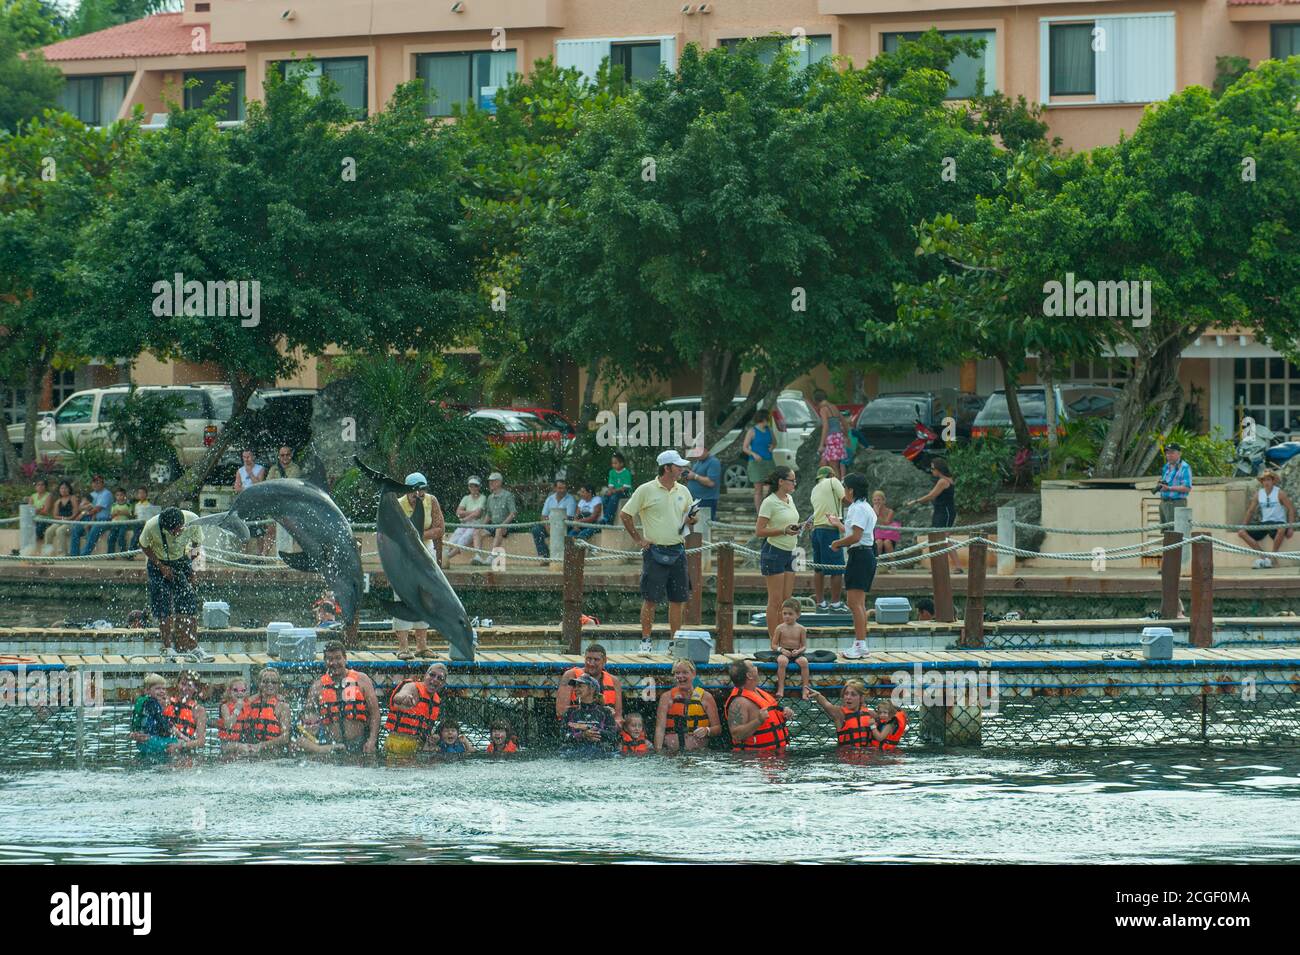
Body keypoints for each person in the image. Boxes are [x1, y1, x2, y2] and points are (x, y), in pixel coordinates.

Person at [620, 450, 698, 653]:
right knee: (650, 598)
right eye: (678, 466)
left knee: (678, 599)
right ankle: (646, 640)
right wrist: (639, 539)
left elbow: (691, 517)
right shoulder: (645, 489)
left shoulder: (683, 490)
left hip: (678, 549)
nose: (682, 469)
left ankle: (675, 643)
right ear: (667, 468)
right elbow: (625, 514)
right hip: (655, 551)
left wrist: (692, 519)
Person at [139, 506, 212, 662]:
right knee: (162, 605)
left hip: (181, 560)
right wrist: (161, 566)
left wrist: (193, 570)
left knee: (189, 603)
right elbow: (144, 546)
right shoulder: (152, 526)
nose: (176, 534)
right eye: (172, 532)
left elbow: (196, 544)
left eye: (179, 530)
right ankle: (167, 648)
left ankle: (192, 648)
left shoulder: (193, 519)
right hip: (158, 564)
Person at [393, 472, 445, 660]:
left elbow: (440, 528)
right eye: (415, 491)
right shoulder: (397, 504)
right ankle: (403, 647)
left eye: (422, 490)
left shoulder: (432, 501)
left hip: (425, 552)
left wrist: (418, 534)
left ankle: (422, 646)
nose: (419, 495)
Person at [829, 472, 877, 659]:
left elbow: (856, 537)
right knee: (859, 604)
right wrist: (837, 524)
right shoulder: (864, 507)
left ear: (851, 490)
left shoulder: (857, 509)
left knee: (854, 603)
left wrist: (837, 544)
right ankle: (861, 644)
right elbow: (856, 532)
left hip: (860, 555)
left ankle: (859, 644)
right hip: (865, 553)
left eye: (845, 488)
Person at [307, 641, 380, 755]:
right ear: (325, 662)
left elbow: (375, 713)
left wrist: (372, 740)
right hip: (331, 747)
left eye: (338, 658)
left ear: (345, 659)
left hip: (359, 745)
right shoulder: (317, 687)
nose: (334, 662)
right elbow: (308, 720)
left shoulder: (362, 680)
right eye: (330, 659)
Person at [756, 466, 801, 645]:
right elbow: (759, 530)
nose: (794, 483)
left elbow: (790, 522)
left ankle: (785, 639)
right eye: (792, 480)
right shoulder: (769, 502)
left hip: (792, 551)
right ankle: (774, 642)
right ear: (781, 482)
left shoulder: (790, 498)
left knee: (786, 601)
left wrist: (799, 527)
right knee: (774, 601)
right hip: (774, 551)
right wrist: (783, 530)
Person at [905, 458, 959, 575]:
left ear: (939, 469)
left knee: (943, 539)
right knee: (940, 539)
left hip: (945, 513)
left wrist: (915, 501)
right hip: (940, 511)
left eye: (933, 468)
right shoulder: (945, 480)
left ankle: (954, 566)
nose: (931, 471)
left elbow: (931, 496)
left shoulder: (943, 481)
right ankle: (941, 566)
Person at [655, 658, 720, 753]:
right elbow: (660, 728)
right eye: (677, 673)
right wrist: (658, 751)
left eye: (685, 672)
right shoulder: (666, 697)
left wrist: (707, 730)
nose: (680, 676)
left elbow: (718, 728)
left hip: (699, 754)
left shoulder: (706, 697)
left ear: (693, 674)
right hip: (672, 754)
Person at [725, 659, 792, 752]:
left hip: (774, 756)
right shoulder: (739, 701)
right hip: (753, 759)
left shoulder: (757, 692)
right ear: (749, 675)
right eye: (753, 666)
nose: (756, 668)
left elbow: (771, 719)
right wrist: (758, 721)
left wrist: (783, 714)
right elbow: (736, 735)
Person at [383, 663, 446, 759]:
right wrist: (405, 698)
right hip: (397, 745)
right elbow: (398, 697)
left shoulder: (436, 702)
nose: (434, 680)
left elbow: (424, 728)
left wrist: (433, 737)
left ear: (443, 684)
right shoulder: (412, 687)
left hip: (417, 748)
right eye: (432, 675)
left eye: (440, 678)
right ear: (425, 676)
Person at [1238, 470, 1296, 568]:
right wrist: (1243, 526)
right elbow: (1250, 511)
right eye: (1264, 480)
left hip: (1279, 522)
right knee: (1241, 533)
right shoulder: (1259, 494)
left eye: (1268, 480)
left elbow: (1291, 509)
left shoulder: (1279, 493)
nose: (1266, 482)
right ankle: (1263, 556)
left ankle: (1273, 557)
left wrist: (1290, 527)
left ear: (1273, 481)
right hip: (1265, 523)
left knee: (1281, 529)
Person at [231, 667, 291, 756]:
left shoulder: (283, 707)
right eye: (265, 681)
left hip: (272, 753)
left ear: (279, 685)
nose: (270, 684)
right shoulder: (251, 703)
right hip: (248, 749)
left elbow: (285, 737)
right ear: (259, 683)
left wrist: (262, 745)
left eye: (274, 682)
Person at [556, 644, 622, 725]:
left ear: (604, 661)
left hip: (603, 727)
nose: (591, 663)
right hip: (575, 725)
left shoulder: (614, 681)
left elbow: (618, 717)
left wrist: (608, 723)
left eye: (596, 659)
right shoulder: (570, 675)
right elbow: (561, 711)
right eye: (588, 659)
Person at [809, 466, 846, 611]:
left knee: (818, 568)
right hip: (830, 529)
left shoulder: (815, 489)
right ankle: (836, 604)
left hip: (816, 530)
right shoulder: (833, 481)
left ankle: (820, 603)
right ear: (831, 474)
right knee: (837, 568)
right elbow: (846, 499)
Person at [805, 678, 876, 748]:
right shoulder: (840, 715)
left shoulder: (871, 714)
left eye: (853, 694)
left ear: (861, 698)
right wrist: (818, 696)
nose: (848, 697)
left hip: (868, 755)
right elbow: (826, 704)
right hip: (847, 756)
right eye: (846, 694)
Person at [561, 674, 618, 754]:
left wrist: (588, 728)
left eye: (580, 686)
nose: (576, 689)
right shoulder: (570, 712)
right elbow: (562, 736)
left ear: (592, 689)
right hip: (574, 756)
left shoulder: (605, 712)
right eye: (575, 686)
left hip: (600, 756)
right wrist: (582, 735)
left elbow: (612, 736)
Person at [129, 673, 175, 762]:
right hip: (152, 741)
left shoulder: (141, 701)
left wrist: (135, 733)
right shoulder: (153, 703)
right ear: (147, 690)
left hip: (141, 743)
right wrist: (173, 733)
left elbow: (135, 720)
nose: (162, 691)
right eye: (158, 688)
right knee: (176, 743)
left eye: (163, 689)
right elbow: (163, 723)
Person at [162, 670, 208, 755]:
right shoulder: (166, 702)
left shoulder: (198, 710)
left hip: (185, 751)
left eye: (189, 685)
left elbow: (201, 741)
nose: (185, 688)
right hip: (163, 746)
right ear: (177, 684)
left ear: (196, 689)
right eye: (183, 684)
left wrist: (181, 745)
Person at [475, 472, 517, 563]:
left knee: (499, 529)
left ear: (499, 482)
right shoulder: (490, 497)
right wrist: (482, 526)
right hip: (494, 525)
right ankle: (478, 555)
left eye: (492, 481)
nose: (490, 484)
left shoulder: (507, 495)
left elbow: (513, 513)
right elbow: (489, 515)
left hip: (507, 525)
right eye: (490, 482)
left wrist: (504, 525)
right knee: (477, 531)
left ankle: (492, 556)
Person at [772, 597, 810, 698]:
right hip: (784, 651)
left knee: (804, 662)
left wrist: (798, 651)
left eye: (790, 614)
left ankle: (805, 689)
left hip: (796, 652)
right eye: (785, 613)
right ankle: (781, 688)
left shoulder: (801, 629)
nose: (787, 616)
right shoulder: (780, 628)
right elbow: (773, 645)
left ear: (798, 615)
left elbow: (804, 646)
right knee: (782, 661)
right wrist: (782, 650)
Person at [445, 476, 486, 567]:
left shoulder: (483, 498)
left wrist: (465, 517)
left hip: (476, 525)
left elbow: (478, 514)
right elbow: (458, 512)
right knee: (453, 538)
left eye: (475, 486)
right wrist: (471, 513)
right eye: (471, 486)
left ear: (479, 487)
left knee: (463, 539)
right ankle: (443, 556)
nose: (473, 488)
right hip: (465, 524)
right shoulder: (466, 498)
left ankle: (447, 557)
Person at [531, 476, 577, 558]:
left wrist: (555, 528)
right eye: (559, 488)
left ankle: (564, 558)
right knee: (536, 529)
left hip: (565, 526)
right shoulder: (550, 499)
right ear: (555, 488)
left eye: (564, 488)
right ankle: (544, 555)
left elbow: (569, 517)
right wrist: (547, 526)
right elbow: (544, 515)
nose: (562, 490)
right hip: (550, 525)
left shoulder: (570, 499)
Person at [234, 449, 268, 555]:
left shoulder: (260, 469)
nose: (246, 460)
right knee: (244, 529)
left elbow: (259, 485)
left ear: (253, 457)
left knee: (259, 531)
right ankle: (244, 555)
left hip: (257, 504)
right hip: (245, 503)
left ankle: (259, 556)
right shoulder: (240, 471)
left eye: (248, 457)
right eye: (244, 457)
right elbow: (237, 488)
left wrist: (250, 474)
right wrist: (249, 488)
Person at [741, 410, 776, 512]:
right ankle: (759, 512)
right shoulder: (752, 431)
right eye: (767, 419)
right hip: (755, 463)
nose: (768, 421)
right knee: (758, 489)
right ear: (763, 419)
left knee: (771, 487)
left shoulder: (769, 430)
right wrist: (753, 454)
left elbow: (774, 442)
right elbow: (745, 448)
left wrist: (772, 447)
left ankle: (769, 509)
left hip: (769, 461)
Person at [72, 474, 113, 556]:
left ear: (102, 483)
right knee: (75, 529)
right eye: (94, 482)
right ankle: (74, 554)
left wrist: (85, 511)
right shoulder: (91, 494)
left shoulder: (107, 494)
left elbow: (97, 509)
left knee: (94, 529)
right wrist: (85, 510)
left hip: (103, 519)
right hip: (90, 518)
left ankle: (84, 554)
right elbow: (80, 508)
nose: (95, 484)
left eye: (98, 482)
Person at [1156, 442, 1192, 528]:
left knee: (1175, 533)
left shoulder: (1185, 467)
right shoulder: (1166, 466)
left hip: (1176, 503)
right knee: (1166, 533)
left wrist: (1169, 488)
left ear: (1179, 453)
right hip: (1164, 503)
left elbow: (1187, 488)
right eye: (1167, 453)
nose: (1169, 455)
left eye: (1172, 452)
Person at [683, 445, 722, 522]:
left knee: (704, 527)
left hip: (706, 500)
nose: (696, 455)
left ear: (705, 450)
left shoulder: (713, 462)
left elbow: (711, 483)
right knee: (695, 526)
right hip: (695, 500)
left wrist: (695, 476)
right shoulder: (699, 461)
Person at [814, 389, 847, 479]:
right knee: (823, 463)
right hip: (838, 437)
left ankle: (838, 489)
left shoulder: (823, 409)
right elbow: (844, 422)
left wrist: (821, 445)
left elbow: (826, 427)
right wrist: (846, 435)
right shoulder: (834, 407)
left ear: (817, 401)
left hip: (832, 439)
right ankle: (826, 484)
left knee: (834, 467)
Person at [217, 676, 249, 752]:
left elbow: (260, 695)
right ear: (229, 691)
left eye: (243, 690)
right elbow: (229, 725)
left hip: (242, 742)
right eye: (235, 690)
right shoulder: (225, 707)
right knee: (243, 748)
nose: (239, 693)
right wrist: (237, 709)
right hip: (227, 744)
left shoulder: (247, 704)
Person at [601, 452, 633, 524]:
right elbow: (611, 485)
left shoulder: (626, 472)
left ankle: (608, 518)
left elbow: (625, 488)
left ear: (621, 464)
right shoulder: (612, 472)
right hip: (615, 491)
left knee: (614, 498)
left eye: (615, 463)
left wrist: (614, 491)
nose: (613, 465)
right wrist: (610, 491)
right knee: (605, 498)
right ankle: (606, 517)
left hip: (624, 492)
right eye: (612, 463)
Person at [46, 481, 76, 556]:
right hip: (60, 521)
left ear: (69, 489)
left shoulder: (72, 498)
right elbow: (55, 515)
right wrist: (63, 518)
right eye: (62, 488)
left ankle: (63, 553)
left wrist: (68, 518)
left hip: (71, 522)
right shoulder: (58, 501)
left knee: (60, 531)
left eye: (65, 488)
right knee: (48, 531)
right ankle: (48, 553)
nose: (63, 490)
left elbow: (76, 512)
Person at [872, 490, 901, 558]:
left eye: (879, 500)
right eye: (875, 500)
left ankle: (893, 564)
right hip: (878, 535)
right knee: (878, 543)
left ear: (884, 501)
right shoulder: (871, 511)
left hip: (889, 535)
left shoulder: (890, 511)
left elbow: (887, 523)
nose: (877, 502)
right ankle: (876, 563)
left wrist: (877, 514)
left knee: (887, 542)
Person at [106, 487, 133, 557]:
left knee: (121, 537)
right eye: (117, 495)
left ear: (124, 496)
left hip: (124, 524)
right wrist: (115, 514)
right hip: (115, 524)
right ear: (115, 496)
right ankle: (110, 555)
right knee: (111, 538)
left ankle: (124, 553)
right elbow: (111, 516)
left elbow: (131, 515)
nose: (119, 497)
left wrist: (124, 513)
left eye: (121, 495)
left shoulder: (128, 505)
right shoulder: (114, 505)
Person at [29, 478, 52, 547]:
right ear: (35, 487)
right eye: (38, 485)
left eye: (42, 485)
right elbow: (29, 511)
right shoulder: (33, 496)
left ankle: (34, 547)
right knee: (26, 527)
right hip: (34, 519)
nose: (40, 486)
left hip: (45, 520)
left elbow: (45, 512)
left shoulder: (49, 496)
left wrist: (36, 510)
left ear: (45, 486)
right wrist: (39, 509)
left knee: (38, 529)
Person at [128, 486, 151, 555]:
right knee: (135, 536)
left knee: (137, 536)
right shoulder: (137, 505)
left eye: (143, 493)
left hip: (145, 524)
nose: (141, 495)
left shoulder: (149, 505)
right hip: (138, 524)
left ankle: (131, 552)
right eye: (139, 493)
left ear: (146, 494)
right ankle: (131, 552)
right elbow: (135, 515)